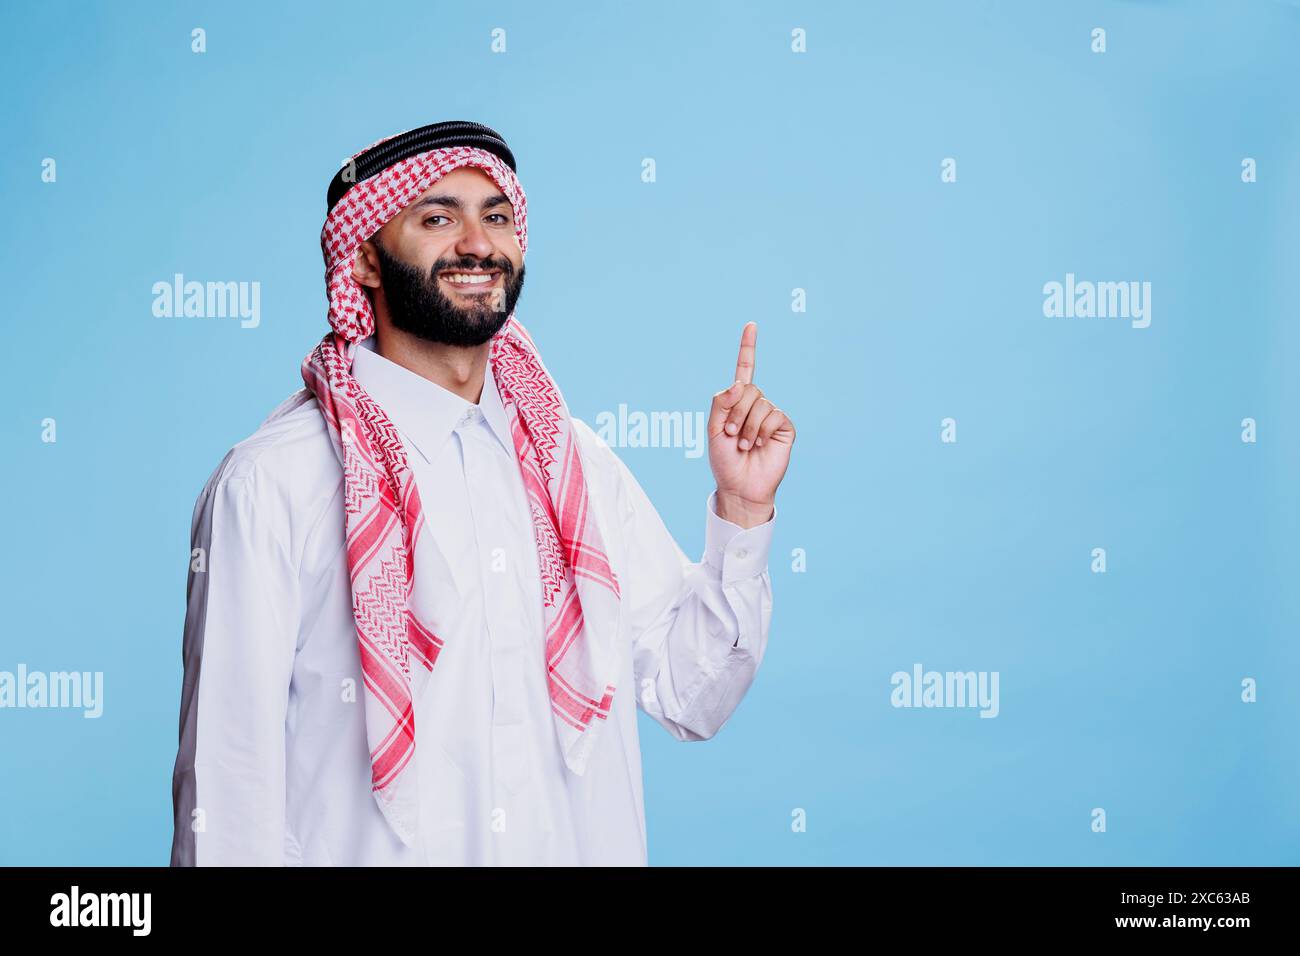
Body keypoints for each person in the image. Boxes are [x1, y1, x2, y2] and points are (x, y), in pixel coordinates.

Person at [169, 120, 796, 866]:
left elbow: (689, 696)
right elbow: (228, 792)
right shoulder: (272, 485)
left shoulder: (576, 468)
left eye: (496, 216)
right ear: (365, 258)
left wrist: (743, 510)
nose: (477, 243)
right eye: (437, 218)